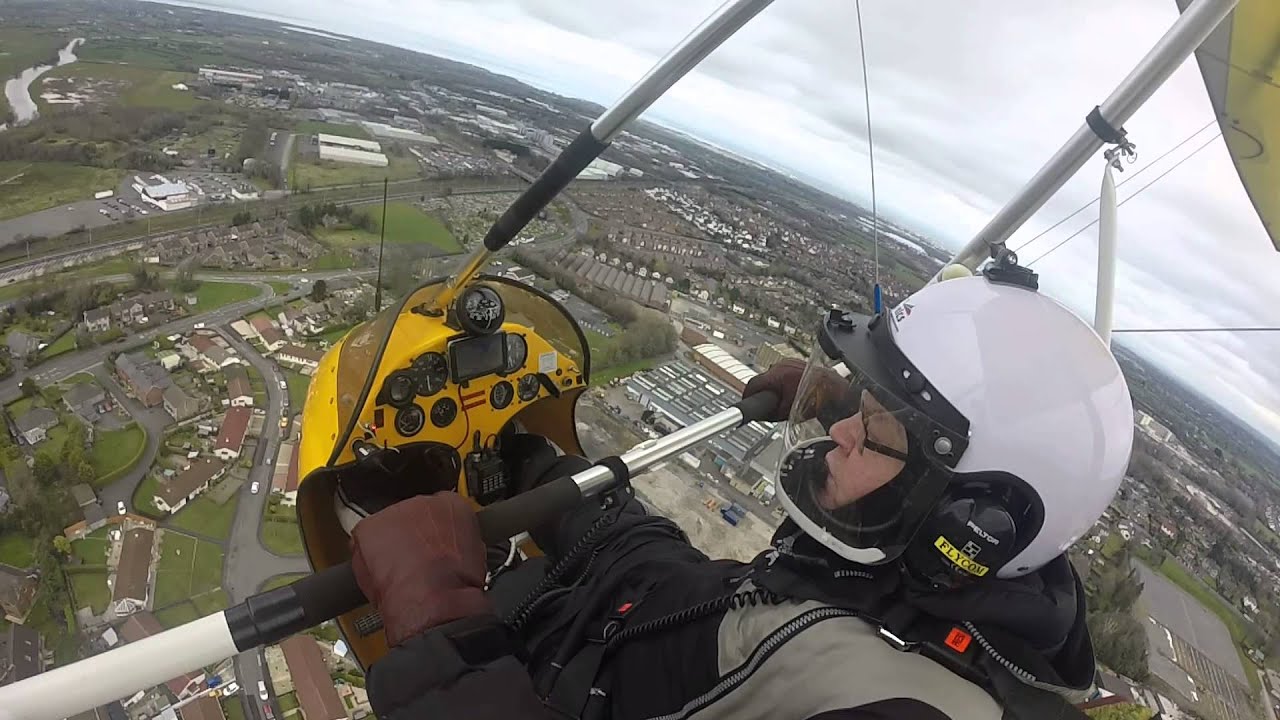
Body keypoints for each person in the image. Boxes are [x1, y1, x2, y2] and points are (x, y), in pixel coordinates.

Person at [348, 269, 1134, 719]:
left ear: (970, 518)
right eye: (857, 409)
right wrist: (845, 401)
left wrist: (441, 641)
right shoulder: (950, 578)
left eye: (876, 431)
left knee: (515, 587)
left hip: (592, 687)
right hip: (686, 620)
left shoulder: (900, 707)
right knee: (593, 523)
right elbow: (723, 604)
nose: (841, 437)